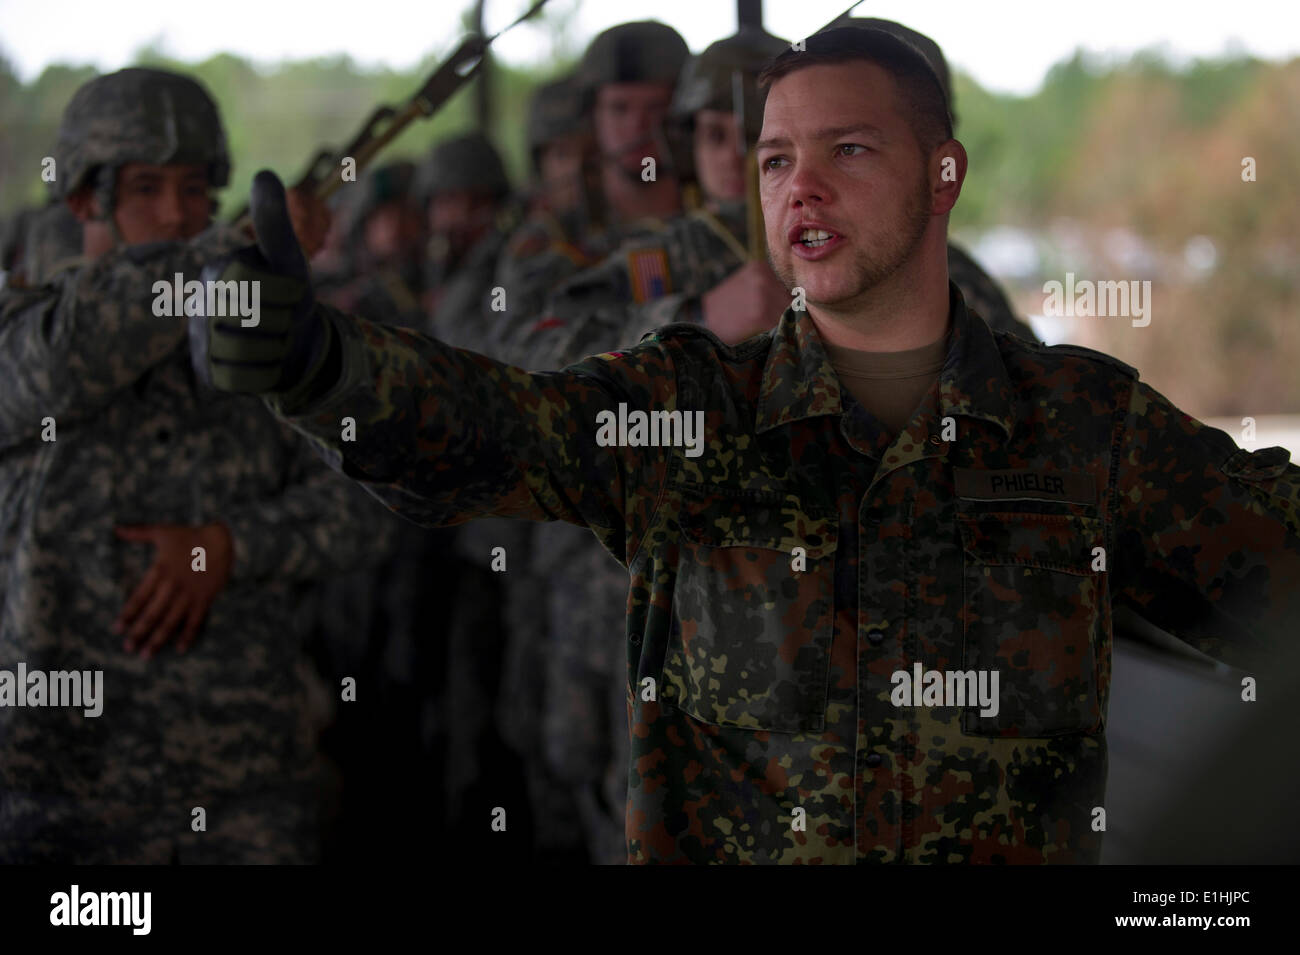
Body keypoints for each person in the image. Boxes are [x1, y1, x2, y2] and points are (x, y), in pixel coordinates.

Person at [196, 28, 1299, 864]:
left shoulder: (1082, 423)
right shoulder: (695, 408)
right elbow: (494, 422)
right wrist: (319, 363)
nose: (798, 187)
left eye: (847, 151)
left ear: (944, 175)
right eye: (773, 160)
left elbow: (1266, 548)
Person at [0, 67, 394, 863]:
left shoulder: (256, 342)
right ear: (84, 200)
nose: (179, 214)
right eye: (147, 188)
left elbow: (364, 508)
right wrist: (236, 243)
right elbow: (76, 352)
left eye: (196, 191)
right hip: (63, 793)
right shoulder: (27, 330)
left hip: (244, 783)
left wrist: (230, 545)